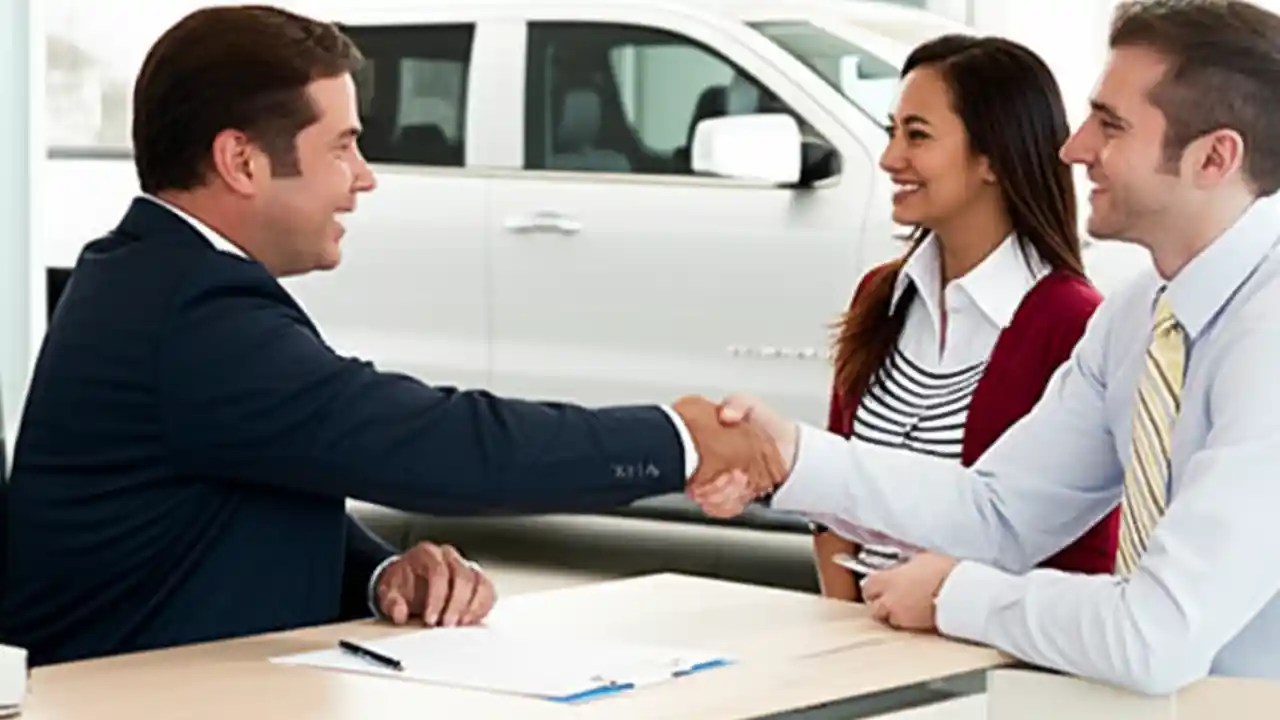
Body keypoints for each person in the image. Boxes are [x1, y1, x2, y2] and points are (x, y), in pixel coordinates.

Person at [1, 6, 783, 666]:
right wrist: (680, 439)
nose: (364, 175)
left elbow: (238, 484)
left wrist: (379, 576)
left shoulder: (153, 275)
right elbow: (440, 445)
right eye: (342, 145)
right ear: (241, 159)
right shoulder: (193, 311)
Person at [694, 0, 1280, 694]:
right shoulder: (1139, 319)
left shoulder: (1265, 335)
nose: (1073, 148)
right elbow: (996, 512)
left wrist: (956, 597)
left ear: (1215, 157)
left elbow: (1156, 633)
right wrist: (788, 454)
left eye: (1110, 125)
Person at [803, 35, 1118, 603]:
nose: (890, 158)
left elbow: (1081, 557)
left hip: (981, 657)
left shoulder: (1074, 324)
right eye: (891, 132)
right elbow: (832, 502)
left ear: (992, 159)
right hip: (860, 643)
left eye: (917, 136)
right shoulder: (880, 295)